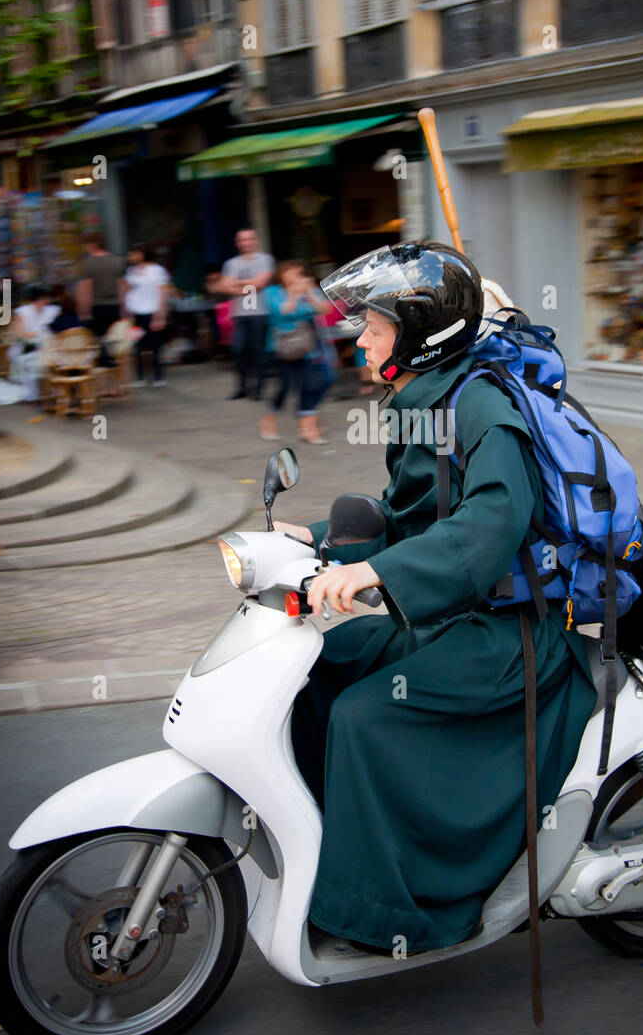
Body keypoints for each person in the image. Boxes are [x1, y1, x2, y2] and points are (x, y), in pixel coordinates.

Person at [275, 242, 598, 956]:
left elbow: (491, 524)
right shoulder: (427, 399)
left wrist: (381, 577)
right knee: (319, 663)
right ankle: (343, 846)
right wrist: (319, 540)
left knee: (366, 715)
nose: (359, 338)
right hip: (457, 608)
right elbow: (407, 515)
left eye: (375, 326)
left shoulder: (481, 405)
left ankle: (390, 910)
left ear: (420, 335)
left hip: (514, 629)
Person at [261, 260, 333, 444]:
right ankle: (268, 420)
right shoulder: (271, 292)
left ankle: (307, 430)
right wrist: (294, 296)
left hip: (306, 346)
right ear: (282, 275)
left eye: (298, 272)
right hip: (283, 348)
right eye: (290, 272)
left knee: (308, 385)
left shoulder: (306, 289)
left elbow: (324, 309)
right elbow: (284, 311)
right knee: (284, 388)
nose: (295, 276)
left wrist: (309, 294)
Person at [215, 228, 275, 400]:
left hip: (260, 312)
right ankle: (242, 386)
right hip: (239, 314)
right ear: (237, 243)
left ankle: (258, 388)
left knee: (258, 352)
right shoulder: (231, 264)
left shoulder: (265, 259)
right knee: (238, 349)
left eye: (248, 239)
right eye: (241, 240)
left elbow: (260, 283)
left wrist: (237, 284)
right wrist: (248, 284)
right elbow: (224, 287)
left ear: (255, 241)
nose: (245, 243)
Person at [123, 245, 170, 387]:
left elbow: (163, 292)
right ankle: (140, 377)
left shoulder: (157, 271)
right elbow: (127, 291)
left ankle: (158, 376)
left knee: (155, 346)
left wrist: (160, 315)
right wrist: (127, 312)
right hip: (136, 314)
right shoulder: (131, 271)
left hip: (152, 313)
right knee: (137, 346)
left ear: (142, 254)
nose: (130, 258)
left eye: (133, 254)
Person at [75, 238, 126, 360]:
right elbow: (122, 286)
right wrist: (123, 306)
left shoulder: (88, 263)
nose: (85, 248)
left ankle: (104, 364)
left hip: (97, 306)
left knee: (98, 340)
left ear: (95, 244)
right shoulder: (117, 261)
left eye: (86, 244)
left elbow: (86, 288)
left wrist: (84, 309)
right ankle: (115, 362)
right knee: (114, 337)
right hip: (114, 305)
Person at [8, 285, 61, 401]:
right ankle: (32, 395)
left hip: (47, 345)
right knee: (27, 358)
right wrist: (39, 333)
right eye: (43, 299)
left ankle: (55, 393)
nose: (46, 302)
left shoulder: (52, 310)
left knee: (55, 357)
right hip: (27, 345)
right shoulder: (22, 312)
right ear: (37, 300)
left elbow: (57, 325)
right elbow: (20, 333)